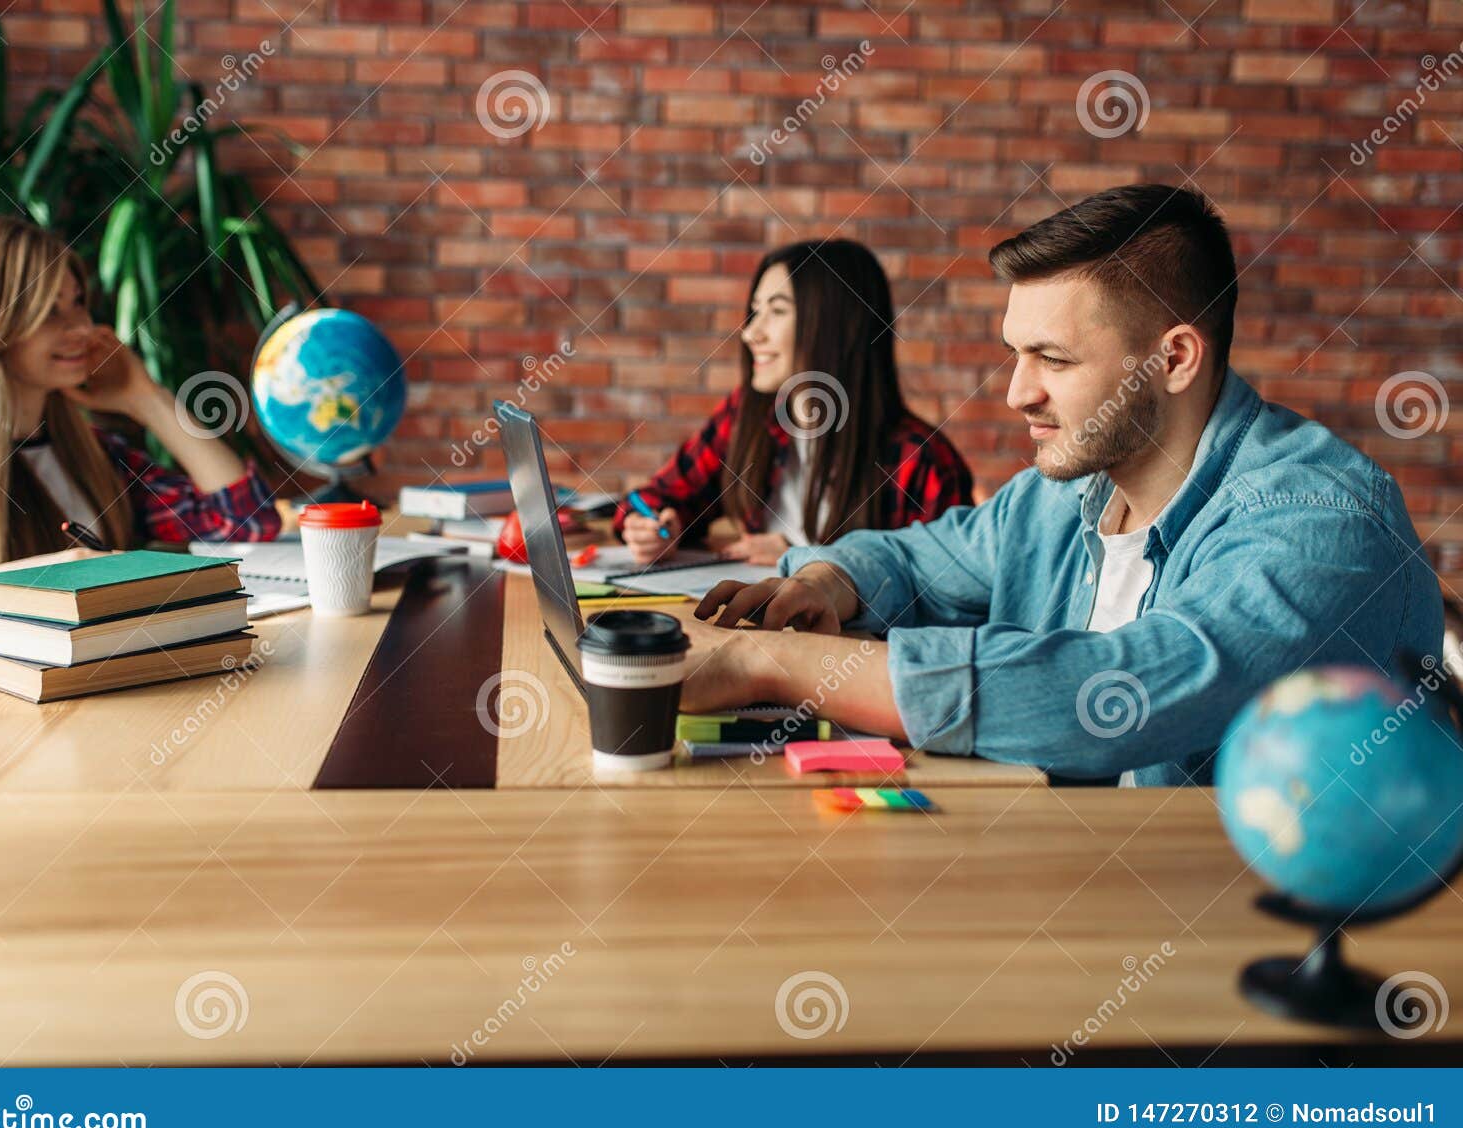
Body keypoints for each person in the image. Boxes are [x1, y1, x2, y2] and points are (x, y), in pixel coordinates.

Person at [678, 184, 1443, 787]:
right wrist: (822, 580)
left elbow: (1111, 692)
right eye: (1016, 354)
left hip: (1243, 939)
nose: (1017, 393)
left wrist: (768, 662)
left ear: (1174, 359)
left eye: (1055, 360)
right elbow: (914, 559)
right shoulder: (1063, 493)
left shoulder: (1320, 519)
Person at [0, 215, 281, 702]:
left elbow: (246, 522)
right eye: (48, 311)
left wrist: (147, 399)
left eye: (79, 303)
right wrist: (22, 594)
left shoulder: (88, 448)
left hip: (105, 704)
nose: (83, 328)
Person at [615, 238, 973, 566]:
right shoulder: (747, 414)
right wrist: (652, 524)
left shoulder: (923, 460)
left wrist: (806, 558)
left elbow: (948, 591)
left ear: (837, 325)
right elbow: (656, 496)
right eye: (756, 311)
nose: (752, 333)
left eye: (779, 311)